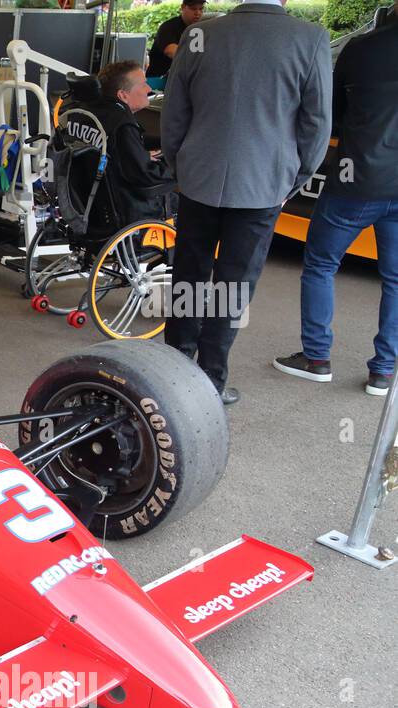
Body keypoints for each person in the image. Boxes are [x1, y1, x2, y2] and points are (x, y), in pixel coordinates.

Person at [160, 0, 331, 406]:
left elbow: (174, 109)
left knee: (190, 271)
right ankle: (210, 381)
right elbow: (316, 120)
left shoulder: (200, 34)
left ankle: (173, 368)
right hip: (265, 181)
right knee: (234, 284)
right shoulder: (310, 38)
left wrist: (179, 161)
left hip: (199, 173)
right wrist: (296, 176)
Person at [275, 7, 398, 397]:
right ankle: (383, 371)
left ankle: (316, 358)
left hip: (358, 178)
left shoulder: (362, 49)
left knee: (321, 264)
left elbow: (331, 115)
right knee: (396, 280)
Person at [69, 61, 177, 226]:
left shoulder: (83, 113)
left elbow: (116, 147)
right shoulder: (122, 125)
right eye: (143, 84)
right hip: (125, 211)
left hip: (86, 206)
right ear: (123, 95)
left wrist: (159, 145)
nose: (149, 89)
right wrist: (176, 167)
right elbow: (145, 175)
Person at [146, 0, 204, 79]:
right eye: (193, 9)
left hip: (183, 79)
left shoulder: (200, 29)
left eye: (201, 9)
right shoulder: (168, 27)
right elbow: (171, 51)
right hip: (158, 81)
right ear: (183, 7)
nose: (197, 13)